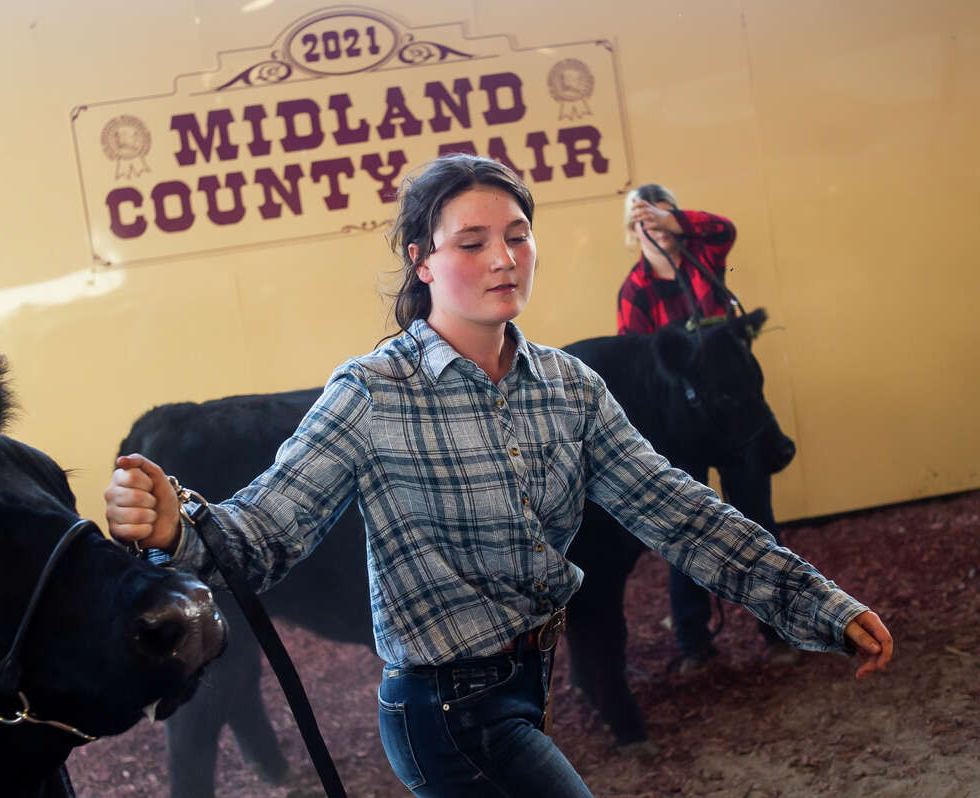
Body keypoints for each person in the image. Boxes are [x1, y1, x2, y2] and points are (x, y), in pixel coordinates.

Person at [106, 155, 893, 798]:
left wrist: (815, 604)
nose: (504, 257)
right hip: (444, 713)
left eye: (517, 235)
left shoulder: (569, 387)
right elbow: (265, 534)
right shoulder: (373, 391)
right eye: (472, 240)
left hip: (523, 688)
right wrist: (178, 526)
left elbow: (679, 512)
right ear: (422, 260)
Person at [617, 183, 792, 672]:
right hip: (682, 428)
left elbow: (724, 227)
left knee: (758, 521)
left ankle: (778, 631)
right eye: (642, 223)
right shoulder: (634, 290)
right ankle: (693, 642)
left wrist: (670, 219)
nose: (653, 228)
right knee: (687, 530)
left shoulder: (706, 258)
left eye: (660, 218)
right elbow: (640, 363)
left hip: (734, 415)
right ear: (633, 234)